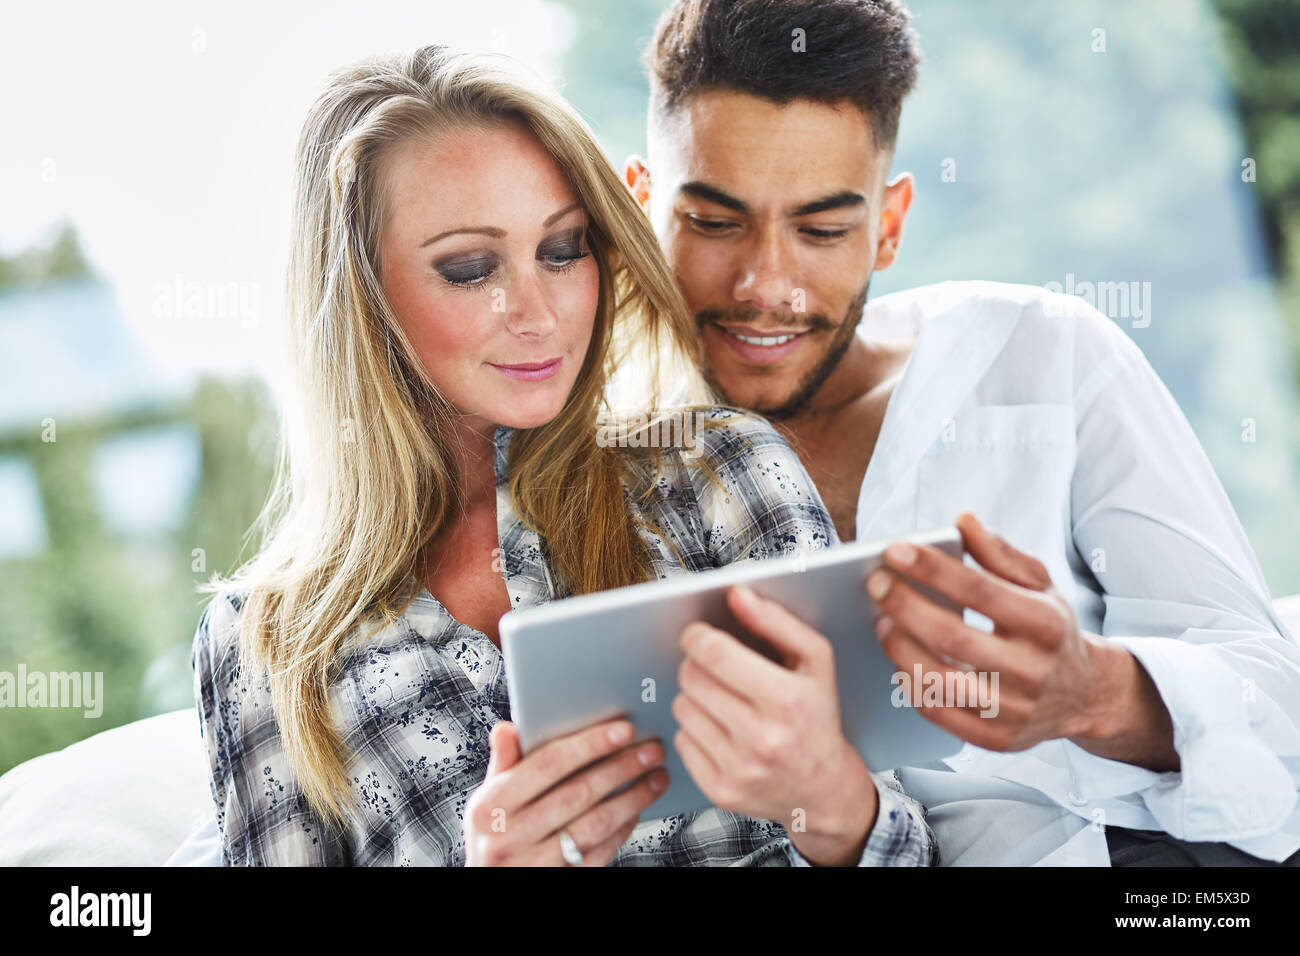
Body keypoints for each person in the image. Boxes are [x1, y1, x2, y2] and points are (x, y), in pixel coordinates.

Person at [186, 44, 935, 866]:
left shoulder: (720, 474)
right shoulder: (265, 645)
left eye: (563, 248)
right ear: (363, 293)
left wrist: (832, 803)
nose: (538, 314)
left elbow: (902, 842)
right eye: (470, 268)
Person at [626, 0, 1300, 865]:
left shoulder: (1043, 356)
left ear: (889, 226)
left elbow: (1276, 698)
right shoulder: (600, 476)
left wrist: (1095, 692)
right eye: (714, 223)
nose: (768, 285)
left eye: (824, 230)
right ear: (643, 204)